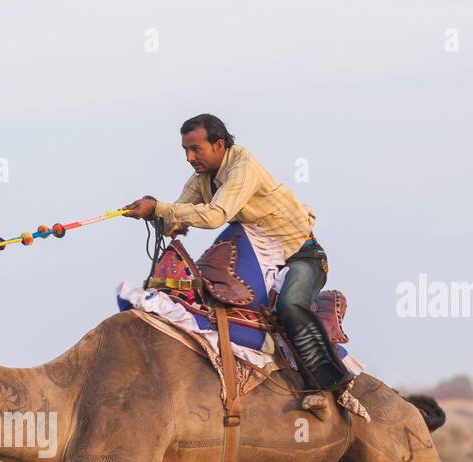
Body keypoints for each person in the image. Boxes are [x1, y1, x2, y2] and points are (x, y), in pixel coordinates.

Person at [122, 113, 351, 394]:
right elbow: (176, 218)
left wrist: (159, 208)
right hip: (258, 258)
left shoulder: (243, 167)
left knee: (290, 305)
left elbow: (216, 216)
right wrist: (150, 213)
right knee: (208, 300)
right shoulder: (202, 178)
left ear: (219, 145)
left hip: (301, 257)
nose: (189, 158)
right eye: (185, 150)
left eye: (196, 149)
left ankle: (328, 383)